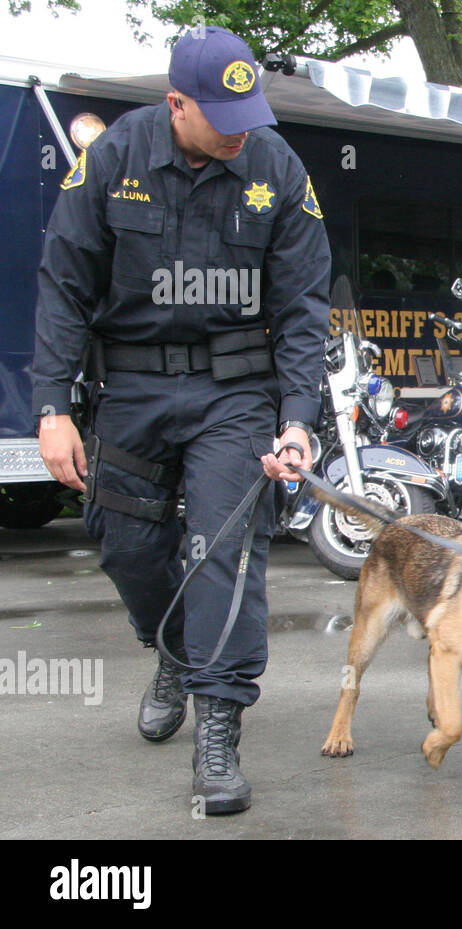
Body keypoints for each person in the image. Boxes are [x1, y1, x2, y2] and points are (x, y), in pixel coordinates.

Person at [32, 26, 331, 815]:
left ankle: (218, 728)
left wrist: (298, 418)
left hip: (236, 391)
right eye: (223, 114)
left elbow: (303, 305)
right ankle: (172, 647)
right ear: (175, 106)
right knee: (126, 543)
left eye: (248, 110)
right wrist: (52, 407)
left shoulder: (276, 167)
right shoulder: (113, 160)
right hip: (131, 386)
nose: (241, 128)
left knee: (226, 550)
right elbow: (63, 283)